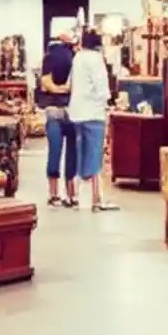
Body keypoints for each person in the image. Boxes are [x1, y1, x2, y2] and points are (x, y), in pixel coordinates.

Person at [68, 29, 118, 212]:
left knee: (80, 155)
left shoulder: (78, 58)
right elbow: (101, 85)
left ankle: (74, 197)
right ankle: (96, 200)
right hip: (93, 113)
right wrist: (108, 101)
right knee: (95, 158)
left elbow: (73, 84)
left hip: (77, 113)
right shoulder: (96, 59)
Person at [37, 33, 77, 207]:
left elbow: (46, 83)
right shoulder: (75, 59)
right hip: (73, 109)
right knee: (72, 153)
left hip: (53, 110)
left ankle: (53, 194)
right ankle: (71, 195)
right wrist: (67, 89)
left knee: (54, 151)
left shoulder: (48, 58)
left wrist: (57, 90)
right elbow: (78, 85)